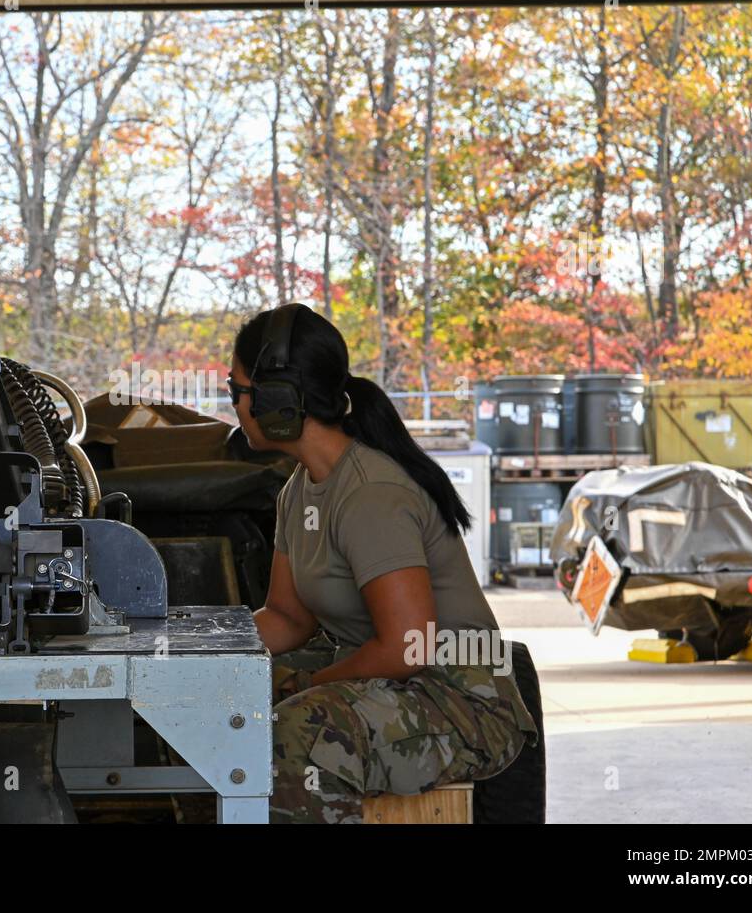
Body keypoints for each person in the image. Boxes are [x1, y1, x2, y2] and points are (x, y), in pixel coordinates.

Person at [227, 303, 538, 823]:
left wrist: (307, 685)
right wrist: (206, 649)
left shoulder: (371, 495)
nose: (233, 405)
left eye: (237, 390)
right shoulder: (297, 491)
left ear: (278, 398)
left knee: (300, 733)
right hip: (396, 680)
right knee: (229, 702)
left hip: (461, 697)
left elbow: (403, 647)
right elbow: (288, 617)